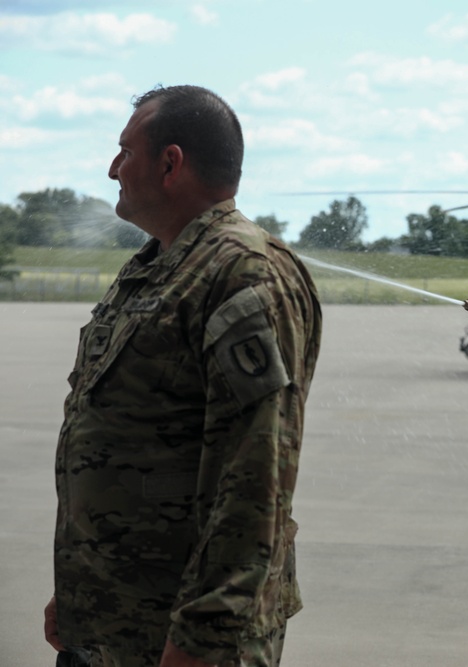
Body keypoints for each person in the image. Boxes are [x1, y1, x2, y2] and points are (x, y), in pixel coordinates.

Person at [43, 85, 322, 667]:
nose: (113, 168)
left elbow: (255, 479)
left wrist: (203, 640)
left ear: (170, 163)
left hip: (178, 638)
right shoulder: (155, 265)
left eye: (125, 151)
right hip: (111, 621)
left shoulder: (243, 274)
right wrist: (76, 592)